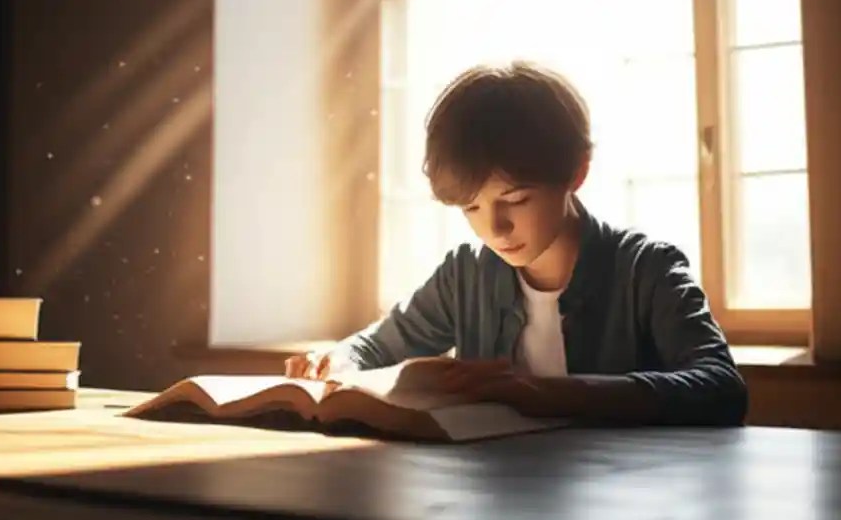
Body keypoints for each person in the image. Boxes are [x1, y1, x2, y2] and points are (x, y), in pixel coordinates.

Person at [285, 60, 747, 426]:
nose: (495, 228)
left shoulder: (647, 271)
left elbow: (721, 387)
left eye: (516, 199)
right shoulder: (465, 274)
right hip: (496, 500)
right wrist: (334, 361)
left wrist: (542, 393)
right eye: (472, 208)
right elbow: (372, 349)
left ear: (576, 172)